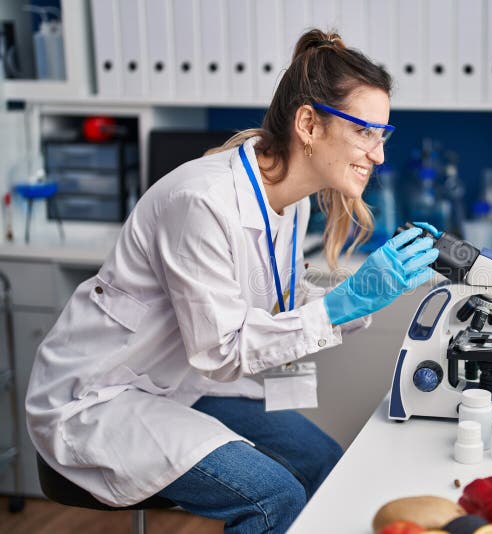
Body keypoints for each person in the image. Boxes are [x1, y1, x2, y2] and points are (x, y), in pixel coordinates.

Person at [25, 29, 440, 533]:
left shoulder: (291, 203)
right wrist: (342, 303)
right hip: (102, 397)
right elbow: (221, 350)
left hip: (179, 381)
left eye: (383, 135)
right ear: (308, 123)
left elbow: (270, 298)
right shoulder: (201, 202)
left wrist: (360, 299)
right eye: (365, 133)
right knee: (273, 496)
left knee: (322, 460)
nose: (378, 155)